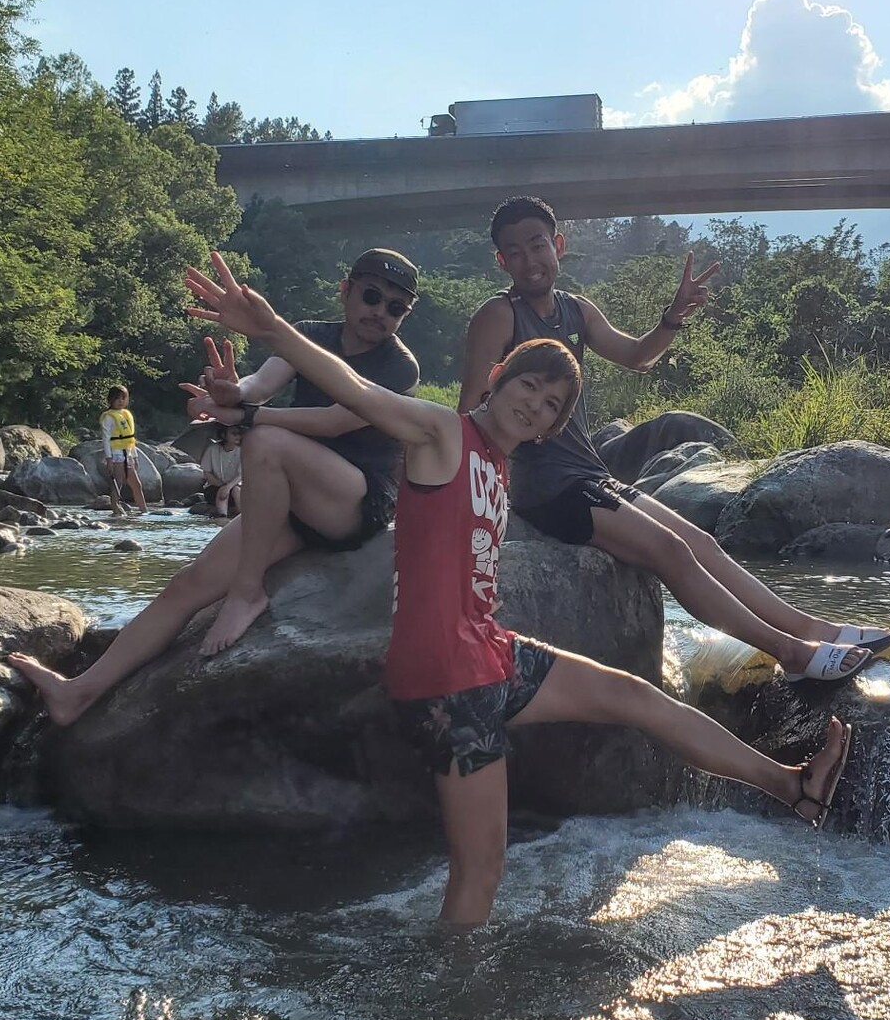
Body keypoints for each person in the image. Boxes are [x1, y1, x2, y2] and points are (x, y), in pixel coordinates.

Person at [182, 251, 855, 926]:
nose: (535, 403)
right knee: (482, 872)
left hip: (488, 655)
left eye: (552, 404)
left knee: (635, 698)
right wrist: (271, 329)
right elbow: (357, 391)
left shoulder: (499, 468)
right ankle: (454, 1007)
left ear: (554, 426)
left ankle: (793, 788)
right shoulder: (442, 434)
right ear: (498, 378)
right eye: (528, 386)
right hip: (449, 681)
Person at [458, 196, 890, 683]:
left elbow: (638, 356)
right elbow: (471, 411)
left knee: (701, 543)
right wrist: (481, 501)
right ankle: (791, 654)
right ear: (501, 261)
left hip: (589, 472)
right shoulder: (497, 315)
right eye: (514, 252)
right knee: (671, 553)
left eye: (537, 245)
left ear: (558, 245)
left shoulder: (576, 311)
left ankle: (817, 627)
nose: (529, 260)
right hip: (544, 487)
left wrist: (673, 316)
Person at [9, 249, 423, 724]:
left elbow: (333, 422)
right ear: (345, 289)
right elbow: (259, 383)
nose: (380, 312)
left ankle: (246, 593)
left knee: (266, 440)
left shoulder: (399, 366)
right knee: (187, 584)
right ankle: (78, 692)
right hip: (292, 502)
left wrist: (245, 416)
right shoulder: (309, 335)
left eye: (396, 307)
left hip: (353, 502)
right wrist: (231, 393)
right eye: (372, 296)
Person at [100, 385, 149, 515]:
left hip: (127, 454)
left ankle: (144, 510)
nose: (120, 401)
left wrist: (135, 456)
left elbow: (130, 440)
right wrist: (109, 459)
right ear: (111, 400)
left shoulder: (126, 415)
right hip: (116, 454)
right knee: (118, 483)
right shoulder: (109, 417)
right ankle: (116, 508)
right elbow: (106, 439)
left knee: (136, 484)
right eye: (117, 398)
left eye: (123, 398)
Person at [199, 424, 244, 517]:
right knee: (222, 491)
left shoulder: (242, 450)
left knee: (236, 490)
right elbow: (207, 473)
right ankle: (222, 517)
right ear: (224, 435)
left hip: (236, 488)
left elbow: (241, 475)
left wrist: (228, 487)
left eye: (239, 433)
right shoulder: (212, 449)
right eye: (234, 434)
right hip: (214, 488)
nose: (238, 436)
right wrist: (220, 485)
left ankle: (241, 516)